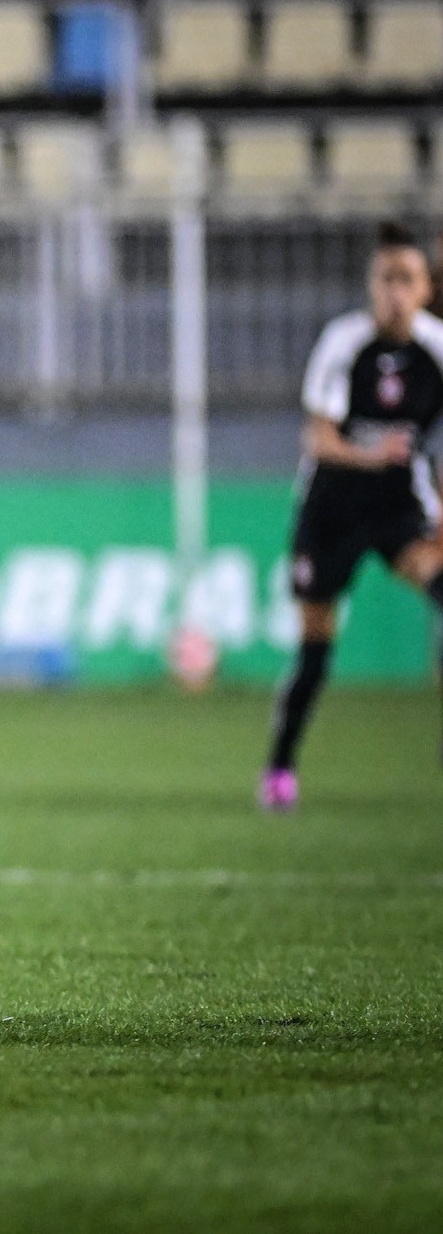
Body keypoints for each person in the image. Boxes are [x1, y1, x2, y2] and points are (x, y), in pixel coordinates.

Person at [261, 222, 443, 811]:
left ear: (425, 288)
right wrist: (372, 452)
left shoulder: (436, 348)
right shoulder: (344, 341)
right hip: (333, 508)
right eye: (385, 278)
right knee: (316, 650)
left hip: (399, 507)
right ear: (372, 283)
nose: (394, 291)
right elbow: (317, 440)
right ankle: (281, 767)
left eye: (406, 279)